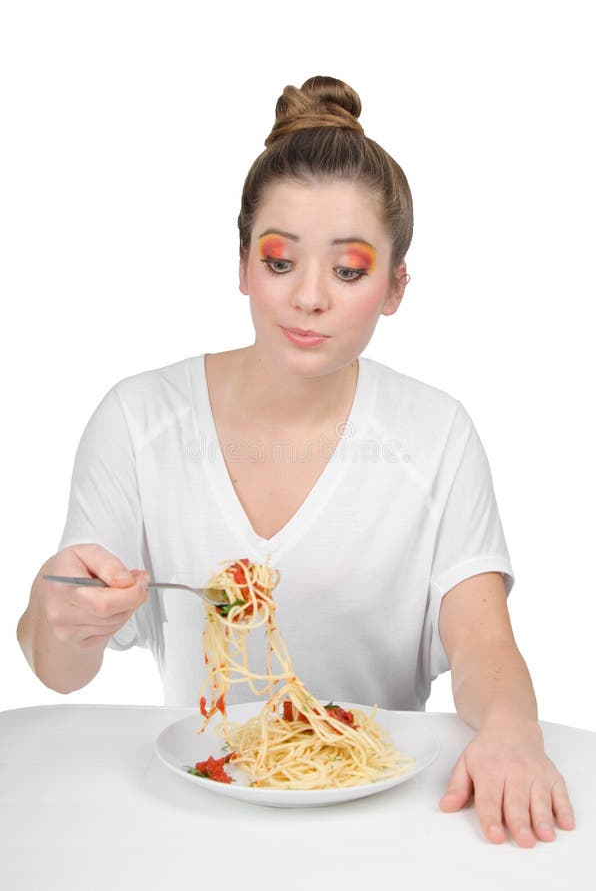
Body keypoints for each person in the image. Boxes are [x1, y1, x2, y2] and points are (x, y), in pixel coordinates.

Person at [17, 75, 574, 847]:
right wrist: (60, 616)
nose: (309, 297)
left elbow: (484, 644)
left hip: (386, 813)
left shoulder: (436, 433)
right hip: (197, 811)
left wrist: (513, 730)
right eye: (280, 262)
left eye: (348, 270)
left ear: (394, 287)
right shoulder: (138, 419)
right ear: (243, 265)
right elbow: (58, 671)